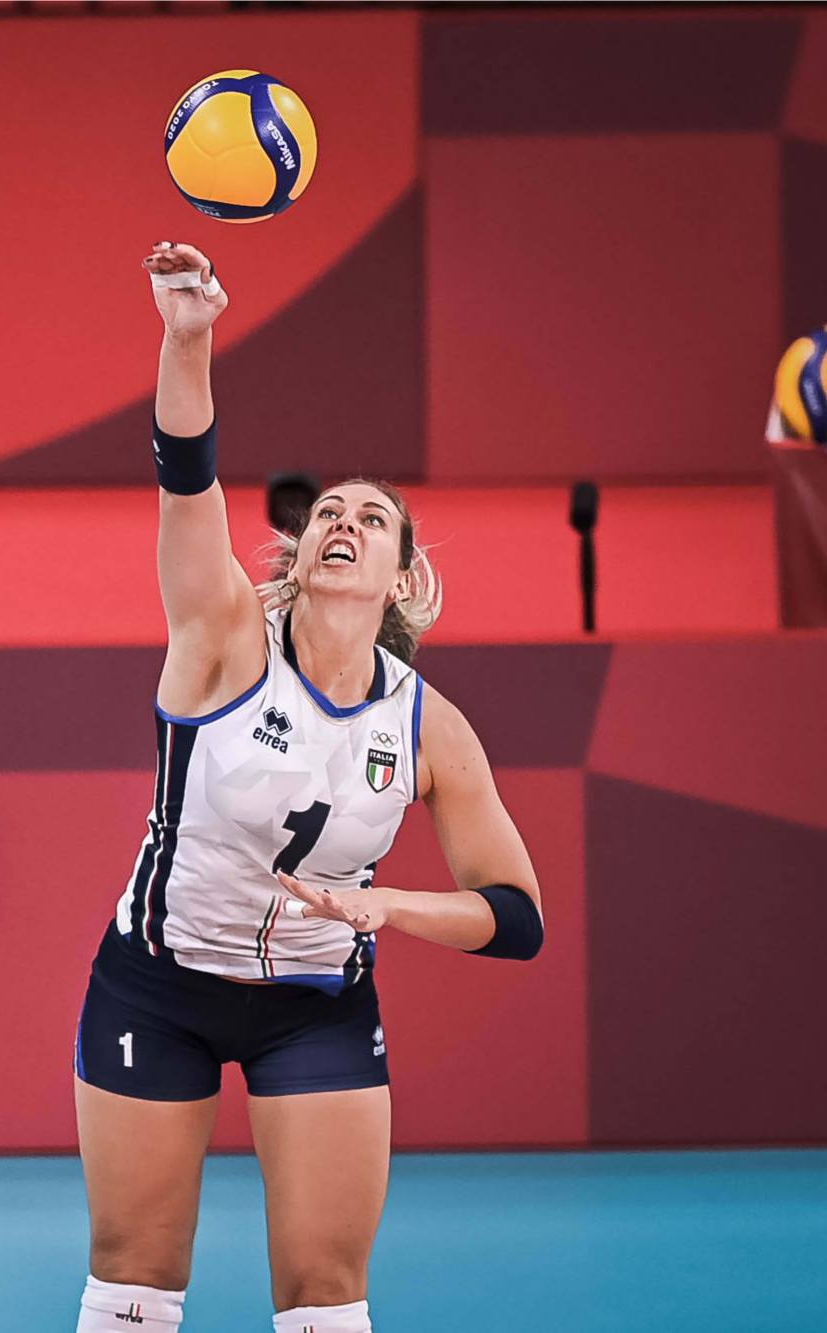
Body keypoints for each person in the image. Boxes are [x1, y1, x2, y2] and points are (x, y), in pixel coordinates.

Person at [70, 242, 545, 1333]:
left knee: (324, 1295)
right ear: (297, 551)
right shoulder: (226, 634)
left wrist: (389, 908)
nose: (341, 523)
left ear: (404, 577)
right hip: (158, 980)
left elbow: (515, 919)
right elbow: (184, 480)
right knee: (135, 1278)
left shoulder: (429, 725)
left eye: (370, 518)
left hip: (317, 1006)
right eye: (327, 512)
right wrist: (185, 338)